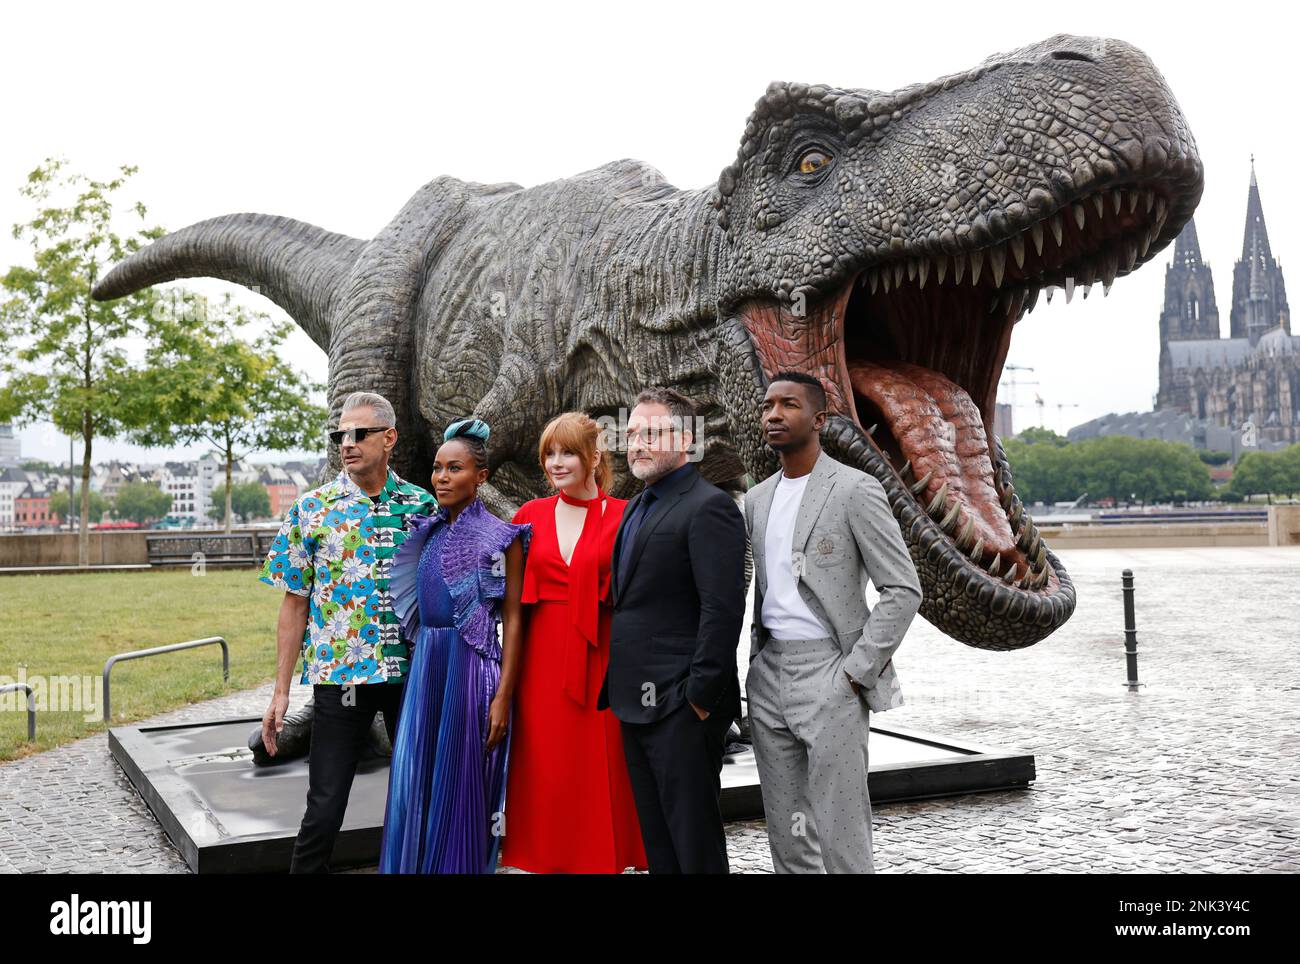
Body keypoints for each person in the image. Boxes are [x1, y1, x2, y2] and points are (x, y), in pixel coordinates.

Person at [744, 371, 922, 873]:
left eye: (788, 405)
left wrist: (854, 672)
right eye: (767, 406)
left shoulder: (854, 490)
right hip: (769, 673)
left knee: (841, 829)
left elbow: (903, 589)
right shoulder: (757, 499)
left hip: (831, 670)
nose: (773, 414)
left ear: (819, 419)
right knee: (788, 831)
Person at [258, 391, 437, 874]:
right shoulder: (312, 509)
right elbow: (293, 605)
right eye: (341, 435)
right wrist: (280, 693)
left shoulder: (422, 506)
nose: (348, 443)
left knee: (418, 797)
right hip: (341, 681)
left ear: (389, 437)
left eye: (360, 433)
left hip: (410, 677)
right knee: (325, 805)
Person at [597, 387, 747, 874]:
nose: (635, 443)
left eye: (650, 433)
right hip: (634, 702)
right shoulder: (636, 505)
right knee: (657, 843)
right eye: (631, 433)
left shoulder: (710, 507)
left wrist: (699, 698)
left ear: (685, 438)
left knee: (694, 844)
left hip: (682, 706)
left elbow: (722, 610)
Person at [378, 418, 531, 873]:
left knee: (463, 782)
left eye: (455, 469)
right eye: (438, 468)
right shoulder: (425, 532)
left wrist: (503, 695)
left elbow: (515, 617)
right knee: (416, 777)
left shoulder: (504, 538)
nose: (441, 478)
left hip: (472, 668)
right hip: (428, 665)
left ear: (480, 478)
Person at [501, 412, 648, 873]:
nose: (556, 463)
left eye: (567, 453)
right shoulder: (528, 516)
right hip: (541, 662)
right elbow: (513, 609)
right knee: (547, 769)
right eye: (549, 453)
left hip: (604, 656)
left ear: (594, 457)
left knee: (601, 766)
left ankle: (602, 857)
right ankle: (548, 859)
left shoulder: (626, 515)